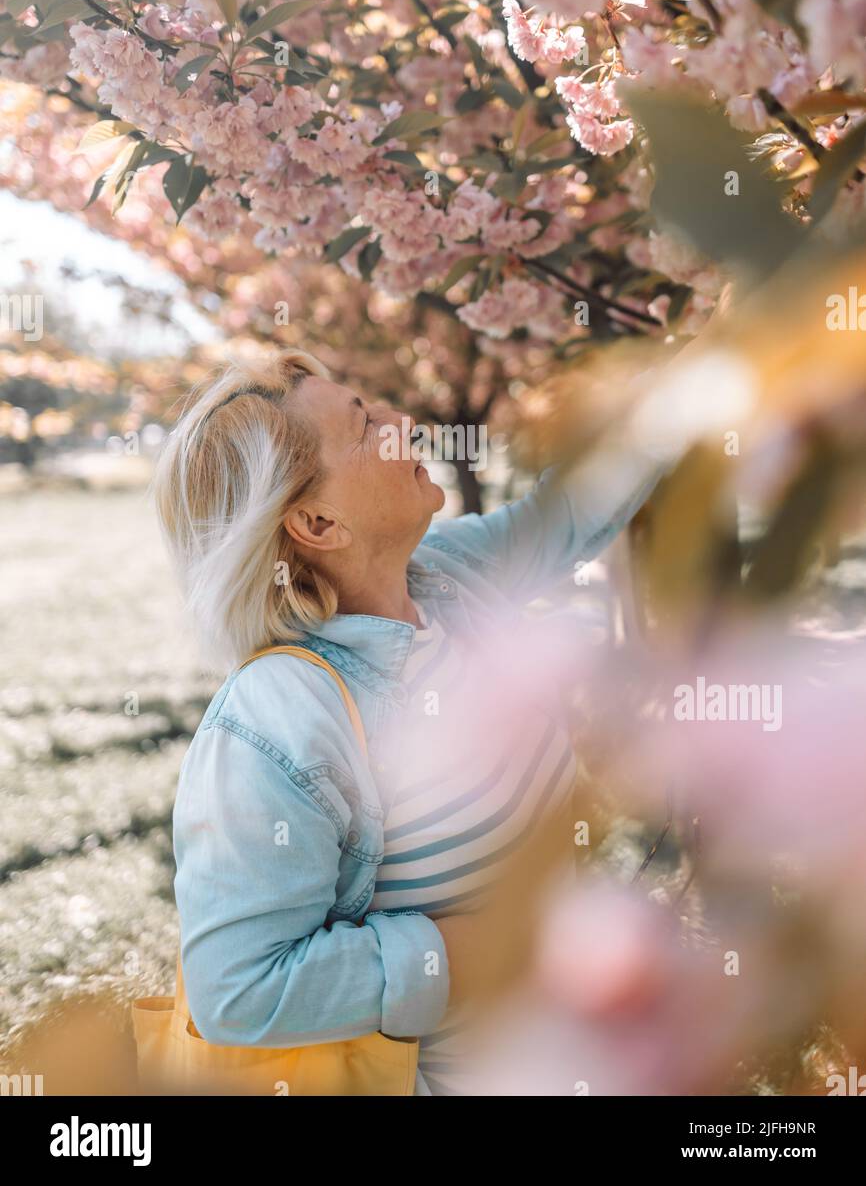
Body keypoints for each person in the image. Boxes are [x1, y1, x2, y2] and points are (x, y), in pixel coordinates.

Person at [152, 346, 678, 1094]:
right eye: (366, 426)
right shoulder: (274, 726)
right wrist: (463, 949)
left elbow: (558, 521)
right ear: (317, 521)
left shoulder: (442, 579)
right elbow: (238, 989)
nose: (404, 423)